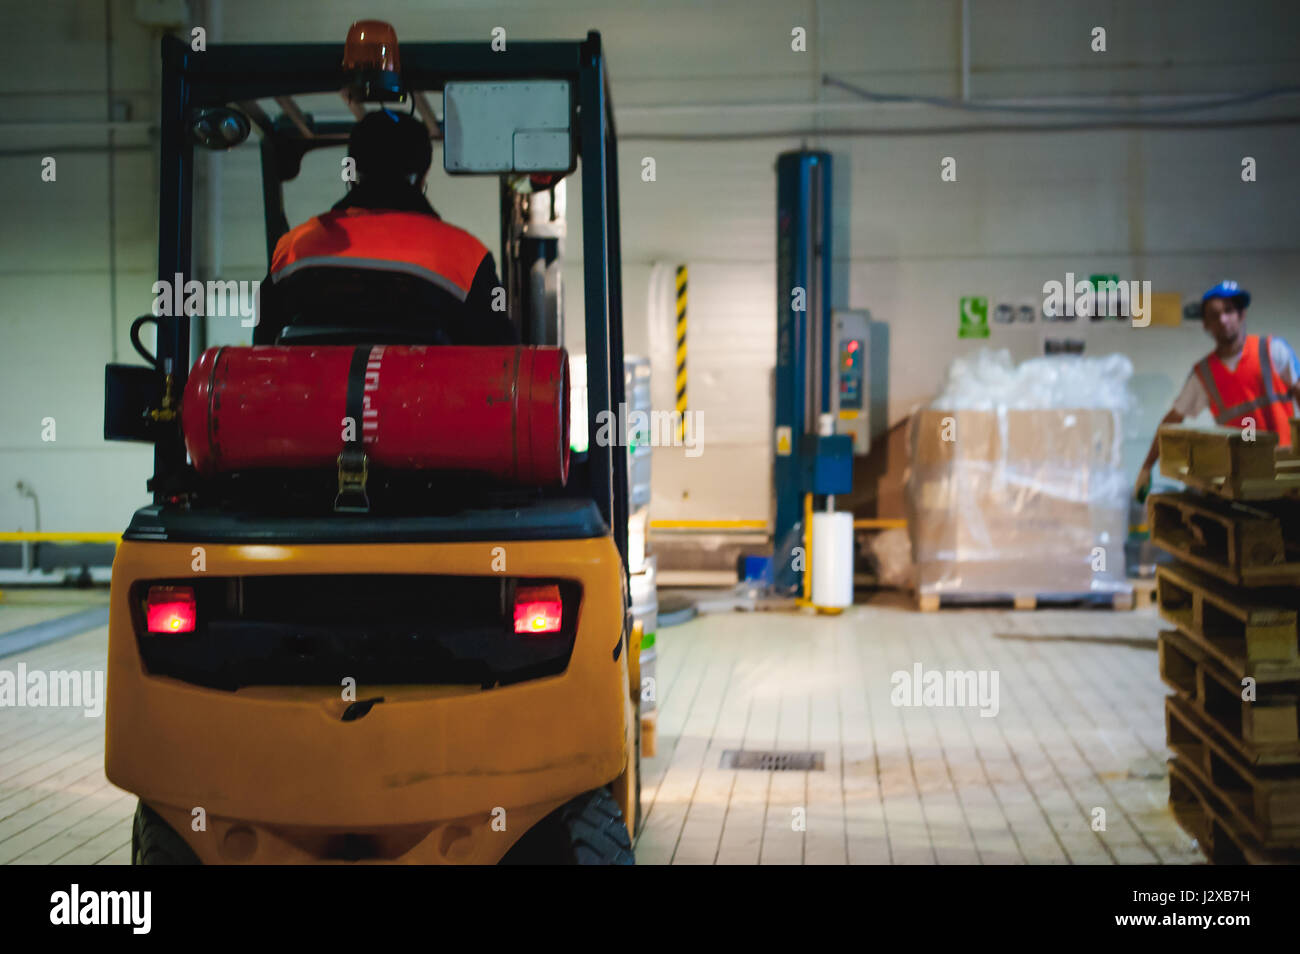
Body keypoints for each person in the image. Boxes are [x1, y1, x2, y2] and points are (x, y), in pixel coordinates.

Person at [255, 108, 517, 346]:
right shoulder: (465, 257)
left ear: (353, 171)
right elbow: (501, 365)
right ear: (423, 175)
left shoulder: (293, 250)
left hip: (309, 399)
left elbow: (261, 355)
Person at [1134, 280, 1300, 499]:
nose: (1223, 319)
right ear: (1206, 324)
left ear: (1241, 314)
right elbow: (1172, 420)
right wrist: (1147, 467)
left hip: (1288, 471)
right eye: (1214, 315)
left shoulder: (1272, 350)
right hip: (1243, 480)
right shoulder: (1204, 375)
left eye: (1229, 311)